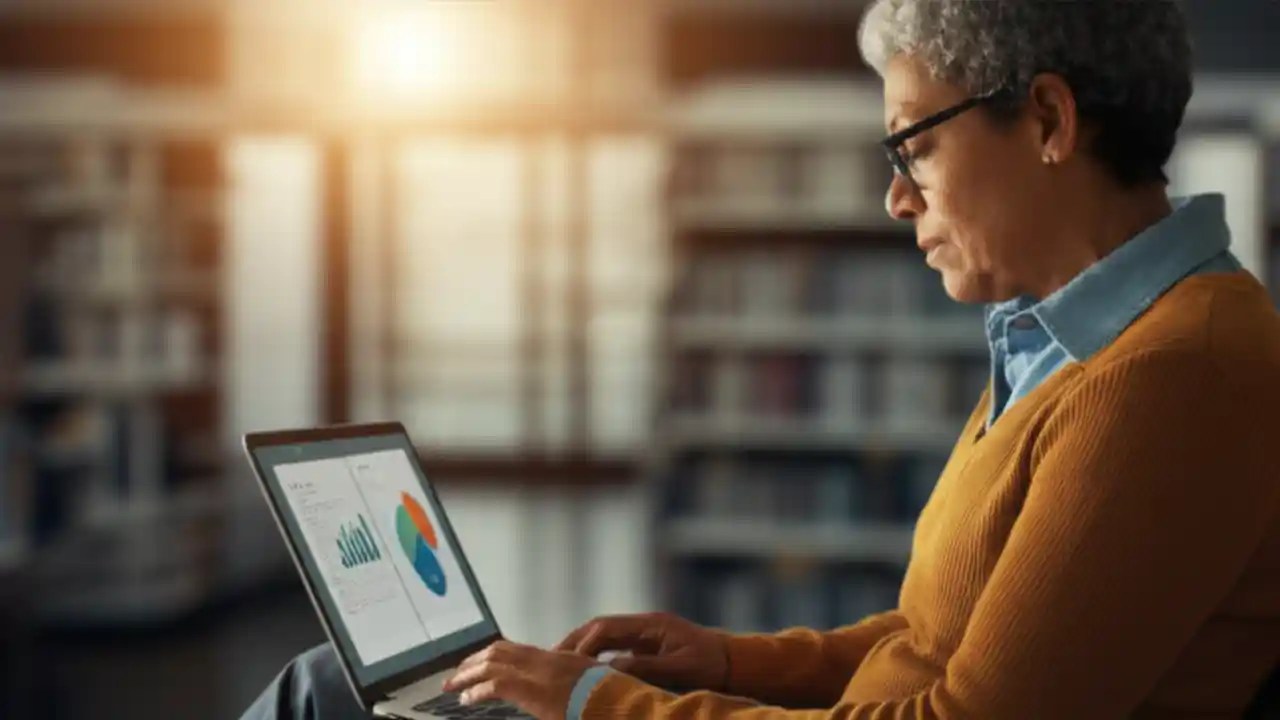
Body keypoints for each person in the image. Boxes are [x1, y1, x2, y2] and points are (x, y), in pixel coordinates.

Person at [244, 1, 1280, 718]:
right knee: (348, 691)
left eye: (909, 146)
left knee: (324, 696)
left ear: (1047, 121)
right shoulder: (1067, 341)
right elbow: (942, 635)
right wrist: (734, 661)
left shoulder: (1170, 372)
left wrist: (601, 708)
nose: (895, 198)